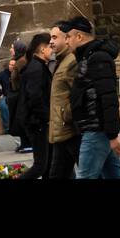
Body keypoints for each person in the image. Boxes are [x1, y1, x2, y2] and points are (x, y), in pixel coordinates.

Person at [69, 18, 120, 179]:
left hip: (95, 130)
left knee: (86, 176)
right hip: (96, 129)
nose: (67, 42)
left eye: (68, 37)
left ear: (79, 37)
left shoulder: (97, 58)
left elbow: (108, 98)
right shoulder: (87, 57)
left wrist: (113, 135)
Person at [14, 33, 54, 178]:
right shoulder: (36, 68)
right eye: (50, 46)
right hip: (37, 123)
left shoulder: (39, 66)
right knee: (40, 166)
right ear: (43, 49)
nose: (53, 49)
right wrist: (47, 117)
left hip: (38, 121)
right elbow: (35, 98)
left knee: (48, 164)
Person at [47, 20, 81, 178]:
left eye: (55, 37)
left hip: (71, 130)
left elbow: (79, 94)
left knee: (92, 172)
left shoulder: (71, 62)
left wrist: (66, 114)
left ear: (66, 38)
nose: (51, 42)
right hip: (62, 130)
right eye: (50, 38)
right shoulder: (61, 62)